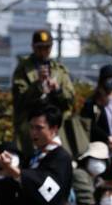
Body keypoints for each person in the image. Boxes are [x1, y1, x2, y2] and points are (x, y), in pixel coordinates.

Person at [11, 29, 76, 159]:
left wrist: (57, 90)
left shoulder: (59, 70)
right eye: (39, 48)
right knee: (31, 163)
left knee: (57, 162)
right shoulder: (23, 69)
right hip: (32, 127)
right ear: (33, 47)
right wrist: (38, 86)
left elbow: (70, 100)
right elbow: (19, 100)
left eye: (47, 47)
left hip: (55, 127)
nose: (43, 51)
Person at [71, 140, 111, 205]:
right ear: (86, 159)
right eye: (96, 158)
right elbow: (87, 199)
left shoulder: (98, 180)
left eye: (103, 160)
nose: (99, 162)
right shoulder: (79, 174)